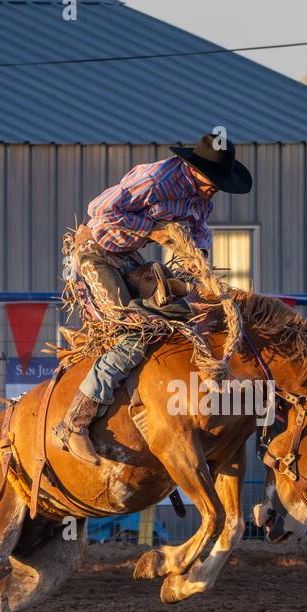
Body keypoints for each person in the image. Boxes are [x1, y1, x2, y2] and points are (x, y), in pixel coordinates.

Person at [53, 133, 253, 465]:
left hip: (128, 259)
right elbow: (99, 208)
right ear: (193, 169)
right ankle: (75, 422)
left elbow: (199, 235)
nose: (214, 188)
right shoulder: (157, 179)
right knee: (136, 330)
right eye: (211, 181)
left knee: (183, 313)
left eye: (219, 183)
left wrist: (199, 268)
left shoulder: (201, 199)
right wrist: (152, 229)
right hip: (95, 253)